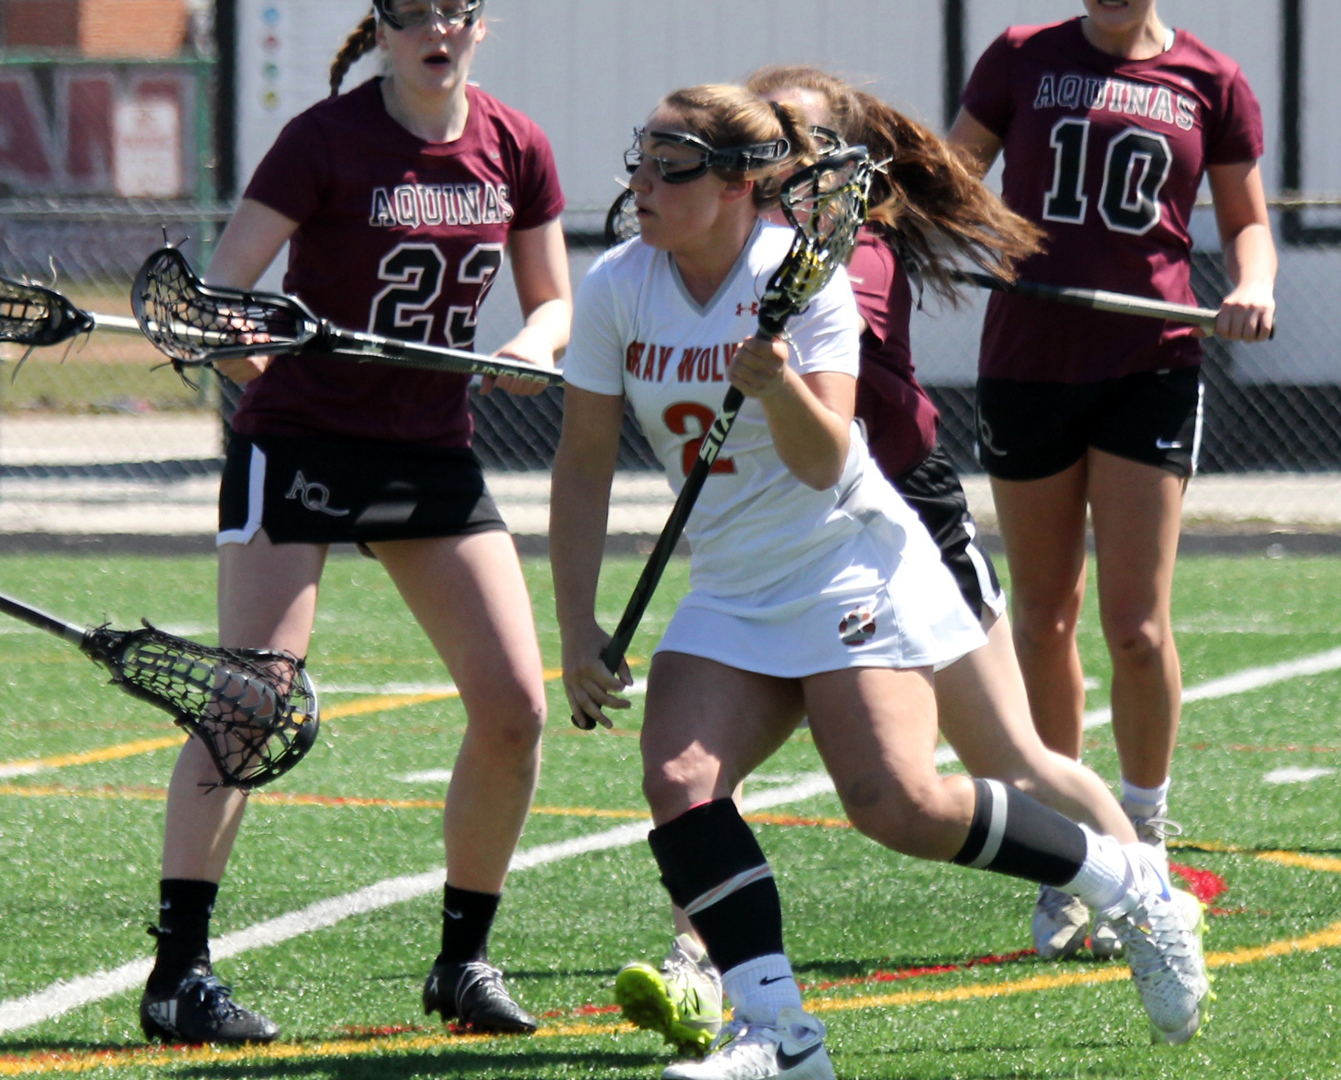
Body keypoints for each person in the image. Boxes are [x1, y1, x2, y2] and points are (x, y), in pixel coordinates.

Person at [551, 84, 1210, 1079]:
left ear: (736, 186)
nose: (638, 185)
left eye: (667, 166)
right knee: (681, 780)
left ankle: (1129, 882)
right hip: (732, 579)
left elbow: (826, 460)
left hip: (845, 555)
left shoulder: (802, 278)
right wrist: (574, 624)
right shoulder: (615, 285)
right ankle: (779, 1037)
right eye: (637, 160)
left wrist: (775, 388)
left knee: (895, 802)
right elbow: (584, 461)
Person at [137, 0, 569, 1043]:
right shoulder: (323, 140)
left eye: (452, 10)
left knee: (515, 708)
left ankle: (462, 964)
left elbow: (552, 300)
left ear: (480, 23)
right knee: (250, 702)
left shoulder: (516, 145)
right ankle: (179, 975)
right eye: (411, 12)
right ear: (380, 27)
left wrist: (535, 349)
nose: (436, 29)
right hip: (298, 448)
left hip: (429, 451)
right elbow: (220, 295)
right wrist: (269, 372)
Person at [947, 0, 1277, 874]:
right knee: (1043, 616)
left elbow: (1247, 221)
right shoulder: (1020, 56)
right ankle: (1072, 844)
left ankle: (1146, 826)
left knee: (1136, 627)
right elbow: (953, 176)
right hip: (1029, 359)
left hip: (1149, 360)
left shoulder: (1213, 79)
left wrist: (1253, 283)